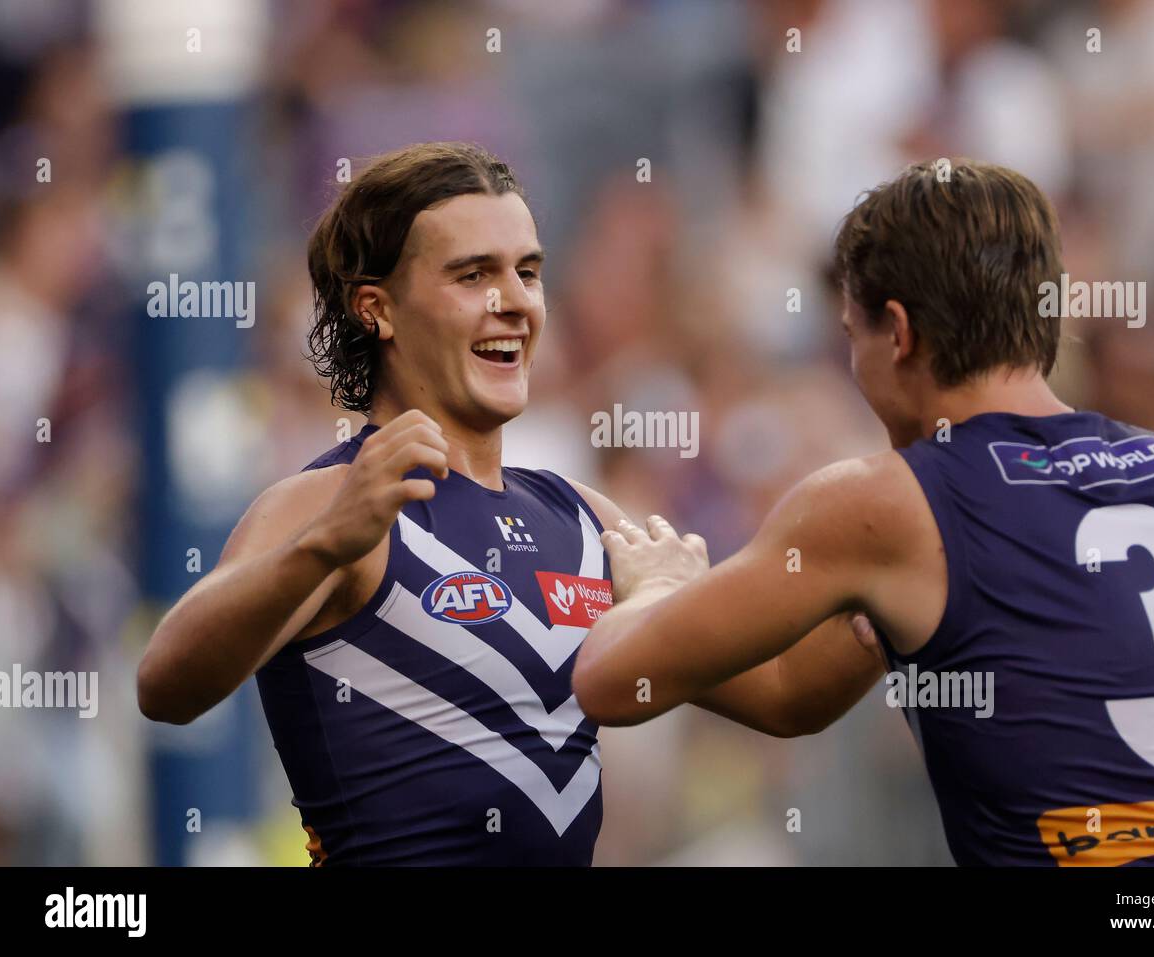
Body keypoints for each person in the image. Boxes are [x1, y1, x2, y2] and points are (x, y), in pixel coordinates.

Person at [136, 142, 880, 865]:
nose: (515, 302)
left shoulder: (586, 518)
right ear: (377, 309)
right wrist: (324, 543)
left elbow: (786, 694)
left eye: (528, 271)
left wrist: (890, 591)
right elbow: (167, 684)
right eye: (472, 275)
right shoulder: (329, 499)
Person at [574, 159, 1154, 866]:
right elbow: (791, 693)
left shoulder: (887, 501)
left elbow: (610, 679)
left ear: (898, 331)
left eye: (851, 338)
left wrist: (660, 586)